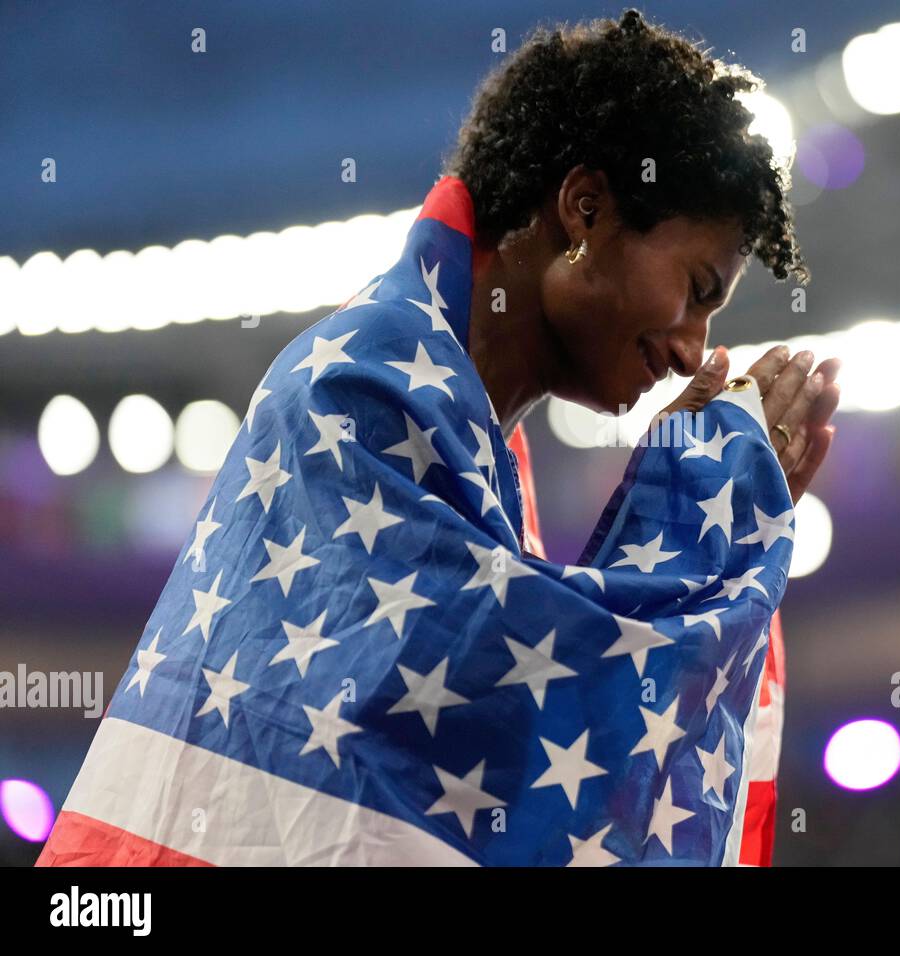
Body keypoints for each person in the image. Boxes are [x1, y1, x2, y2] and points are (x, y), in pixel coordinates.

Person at [37, 8, 840, 867]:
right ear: (585, 208)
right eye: (695, 287)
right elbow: (487, 745)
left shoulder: (481, 458)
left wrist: (711, 512)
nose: (691, 347)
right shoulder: (359, 386)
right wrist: (697, 513)